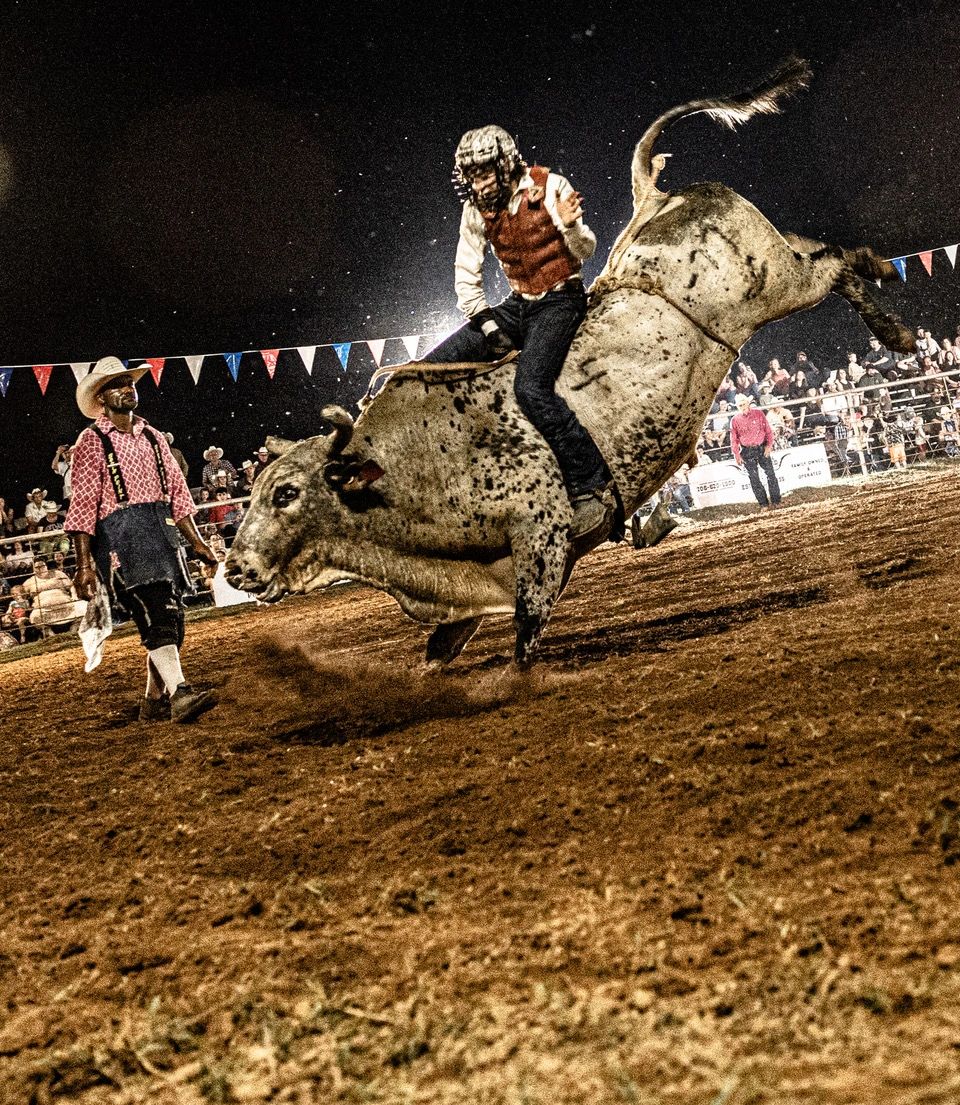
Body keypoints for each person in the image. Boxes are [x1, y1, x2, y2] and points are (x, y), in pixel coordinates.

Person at [420, 124, 612, 538]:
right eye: (471, 175)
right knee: (428, 370)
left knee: (531, 389)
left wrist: (572, 227)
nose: (478, 182)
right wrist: (487, 323)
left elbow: (586, 250)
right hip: (517, 305)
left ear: (505, 165)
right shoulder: (475, 211)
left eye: (484, 172)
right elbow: (465, 275)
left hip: (563, 299)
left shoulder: (551, 184)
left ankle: (592, 485)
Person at [65, 357, 219, 723]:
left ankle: (153, 701)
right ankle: (180, 694)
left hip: (161, 533)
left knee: (171, 619)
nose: (126, 389)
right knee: (158, 613)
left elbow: (179, 493)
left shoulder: (153, 436)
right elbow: (83, 503)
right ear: (101, 397)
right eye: (116, 385)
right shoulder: (91, 440)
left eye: (129, 383)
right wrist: (84, 565)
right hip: (121, 541)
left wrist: (196, 541)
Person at [729, 393, 781, 508]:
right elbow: (734, 439)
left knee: (770, 474)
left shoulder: (758, 414)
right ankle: (763, 504)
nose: (742, 406)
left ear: (748, 403)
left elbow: (768, 430)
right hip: (747, 450)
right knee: (754, 478)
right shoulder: (734, 420)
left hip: (761, 447)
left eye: (744, 404)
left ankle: (776, 501)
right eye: (740, 405)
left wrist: (768, 446)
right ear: (737, 406)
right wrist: (736, 455)